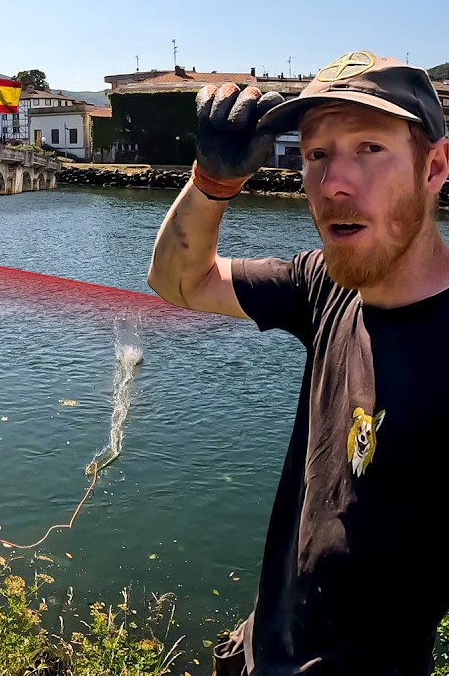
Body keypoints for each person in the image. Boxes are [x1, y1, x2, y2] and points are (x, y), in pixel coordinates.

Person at [147, 51, 449, 675]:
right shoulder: (326, 286)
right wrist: (212, 182)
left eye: (369, 148)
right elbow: (180, 281)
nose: (335, 181)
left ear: (434, 167)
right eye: (316, 154)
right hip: (260, 654)